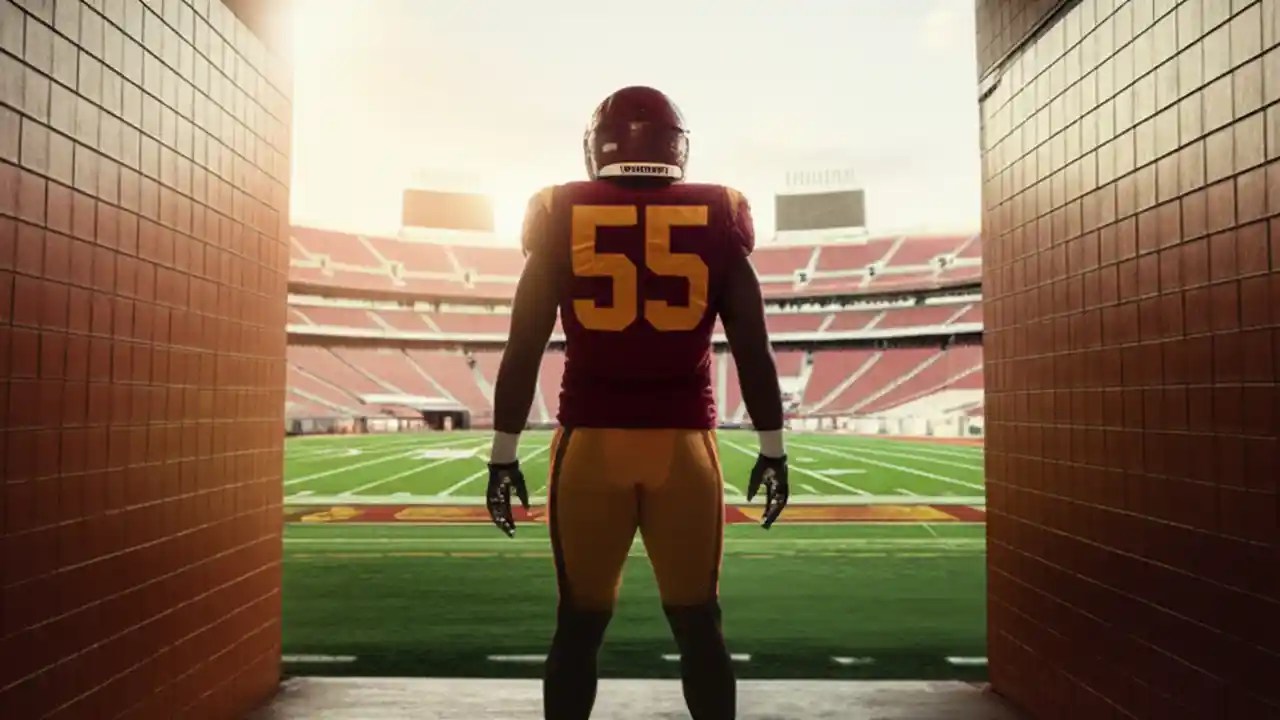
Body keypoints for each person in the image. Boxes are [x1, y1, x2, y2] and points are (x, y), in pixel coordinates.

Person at [484, 85, 789, 720]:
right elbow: (754, 350)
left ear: (598, 148)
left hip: (590, 446)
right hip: (684, 450)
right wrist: (772, 448)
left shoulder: (559, 209)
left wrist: (503, 455)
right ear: (678, 147)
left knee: (578, 626)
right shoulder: (719, 212)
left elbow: (523, 347)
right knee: (700, 625)